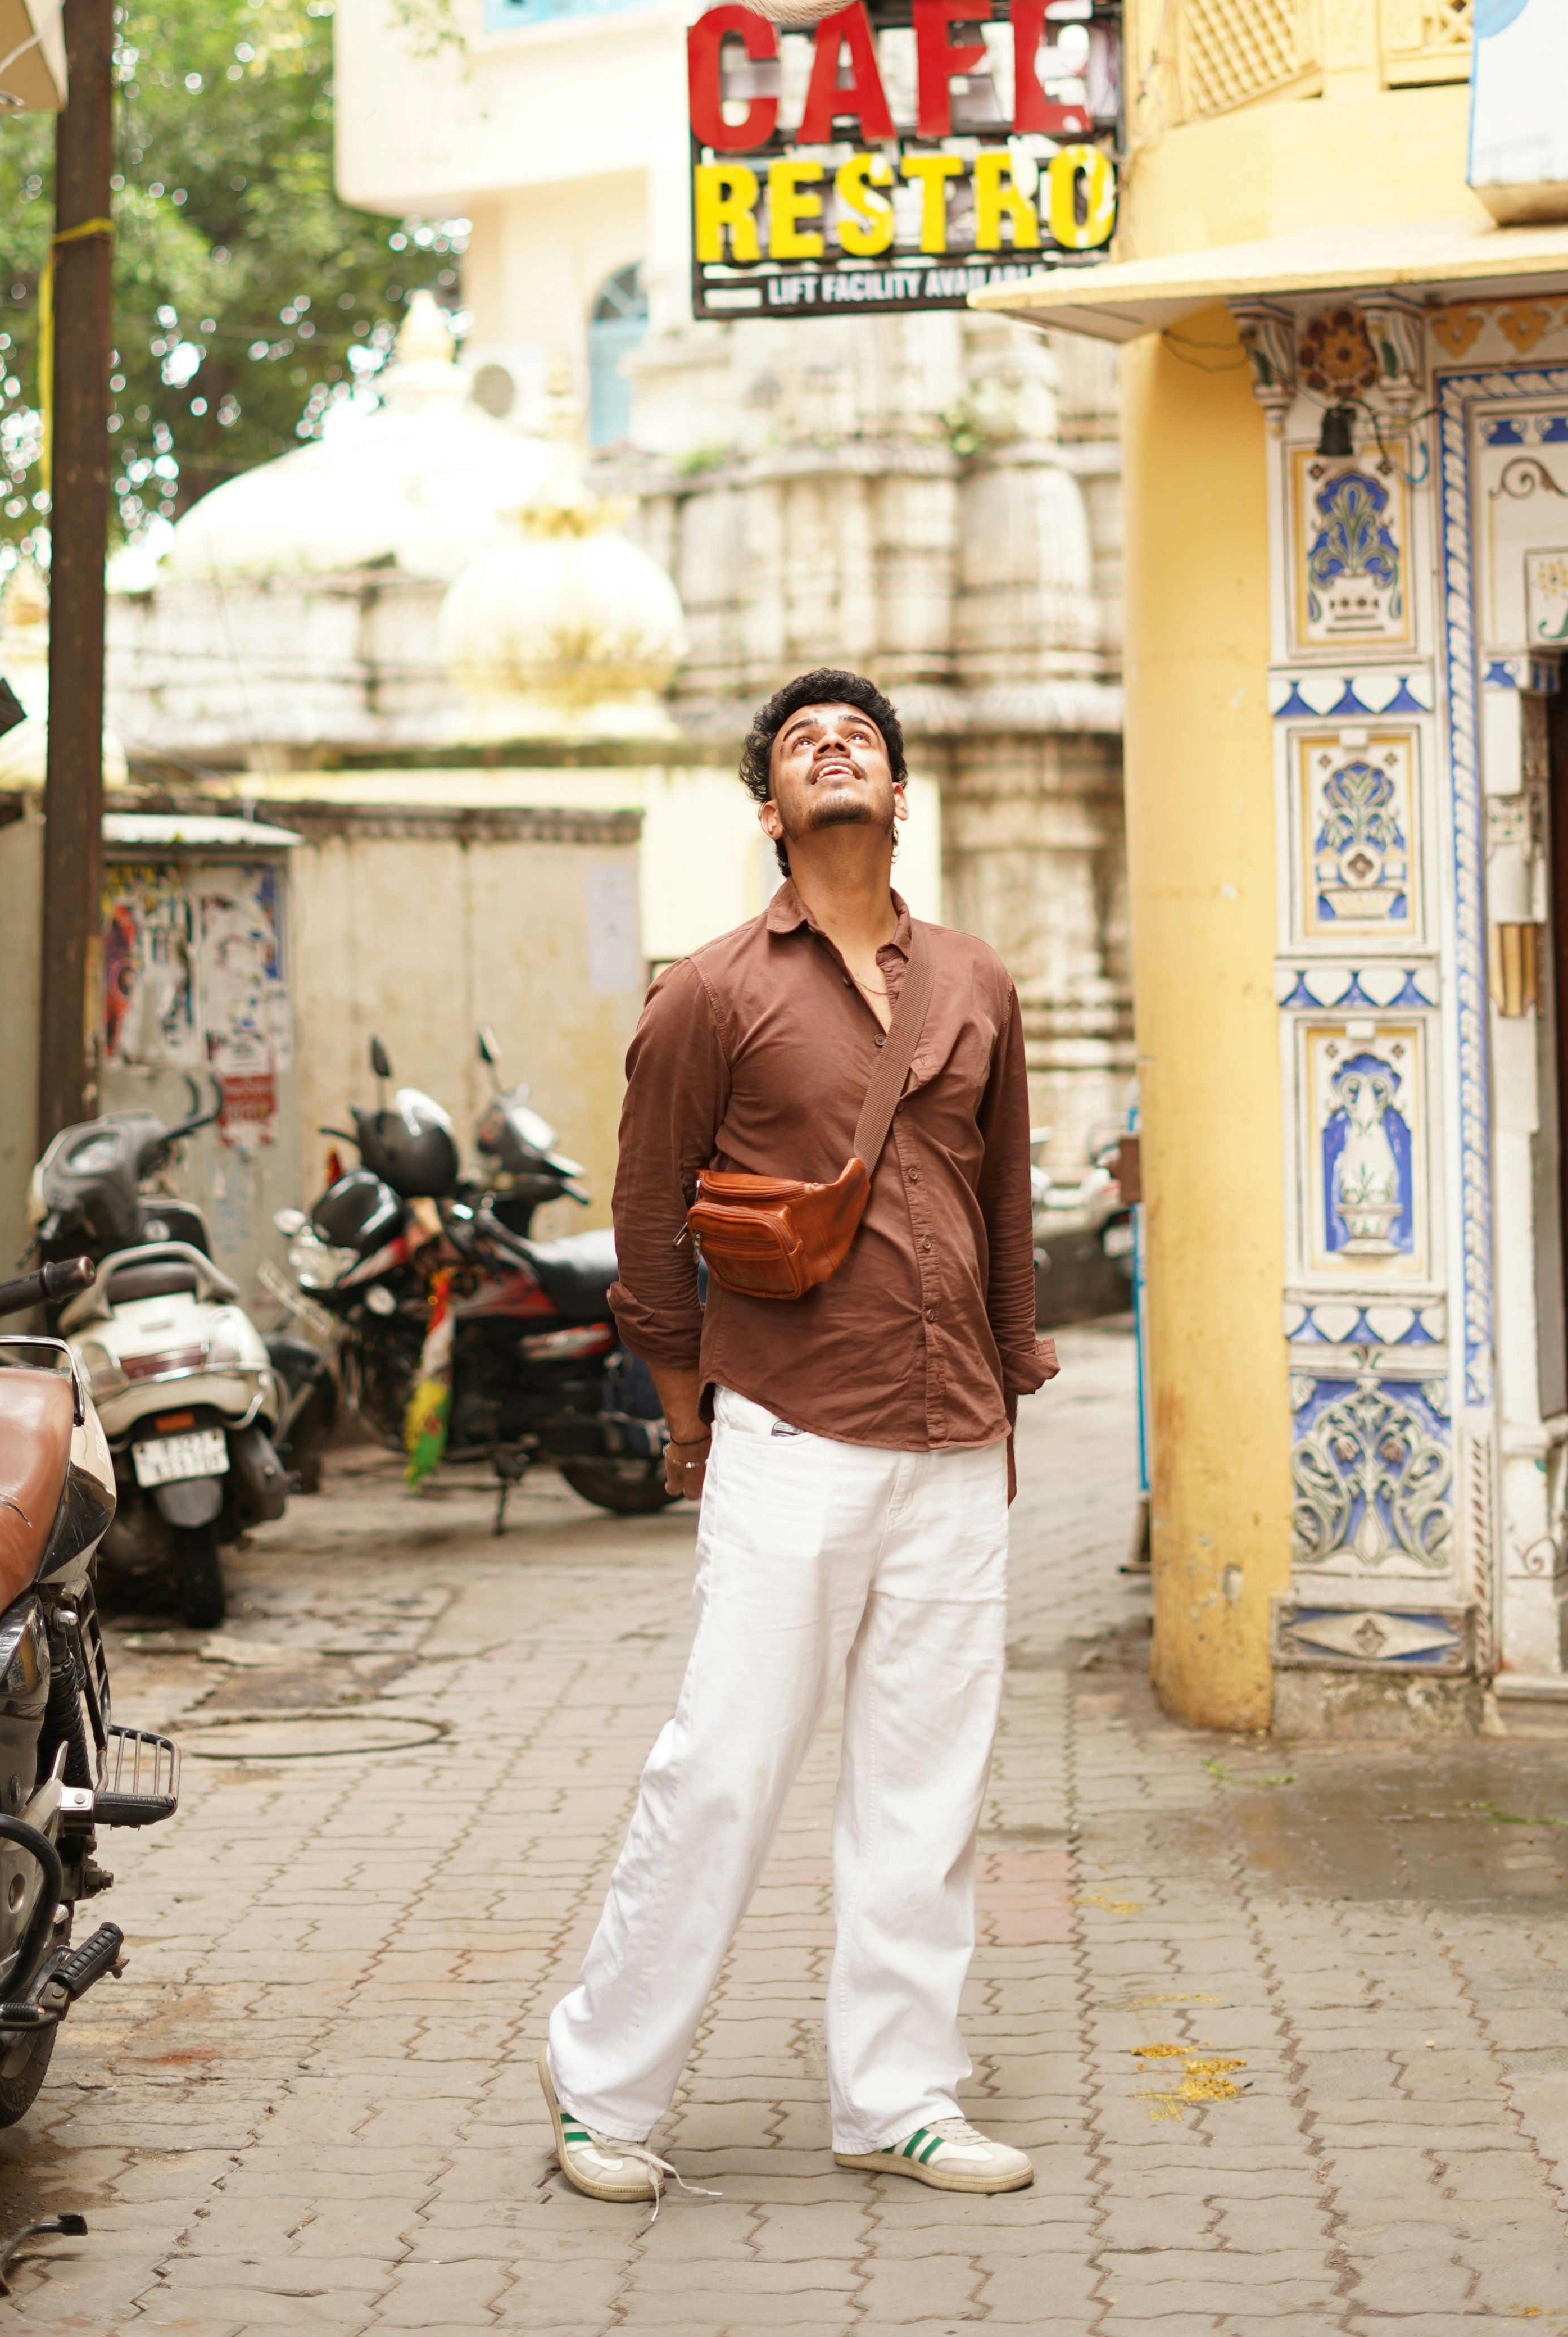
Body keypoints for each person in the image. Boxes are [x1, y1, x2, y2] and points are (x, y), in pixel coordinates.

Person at [540, 665, 1057, 2204]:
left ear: (901, 796)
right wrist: (691, 1408)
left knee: (928, 1787)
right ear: (768, 811)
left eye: (863, 744)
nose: (837, 755)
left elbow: (1005, 1194)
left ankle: (897, 2096)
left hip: (956, 1437)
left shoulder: (976, 982)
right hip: (793, 1428)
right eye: (802, 748)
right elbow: (647, 1216)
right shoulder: (712, 990)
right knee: (724, 1771)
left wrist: (1012, 1370)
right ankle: (601, 2090)